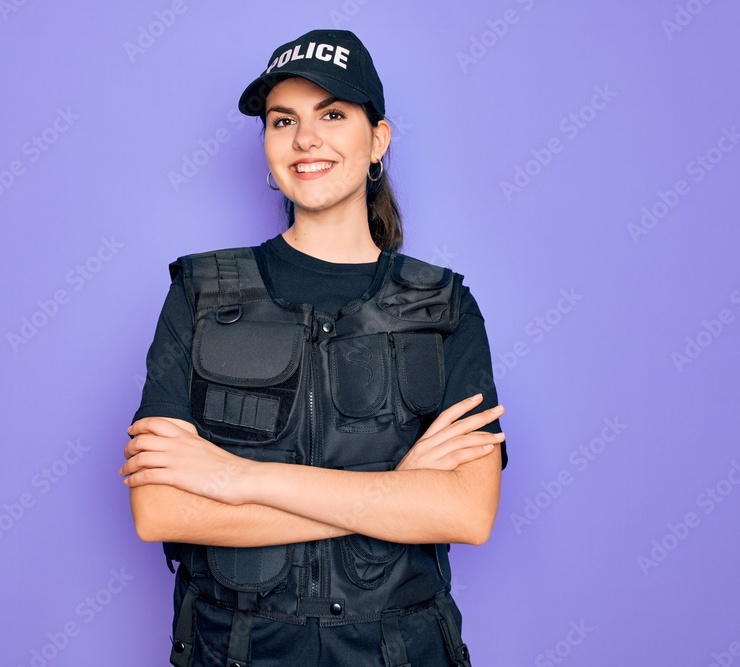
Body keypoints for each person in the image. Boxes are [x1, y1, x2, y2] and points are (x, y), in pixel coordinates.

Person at [122, 28, 508, 667]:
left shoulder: (444, 307)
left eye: (332, 114)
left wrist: (236, 479)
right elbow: (159, 510)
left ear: (377, 138)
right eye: (283, 120)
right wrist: (396, 493)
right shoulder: (199, 293)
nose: (306, 139)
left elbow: (467, 512)